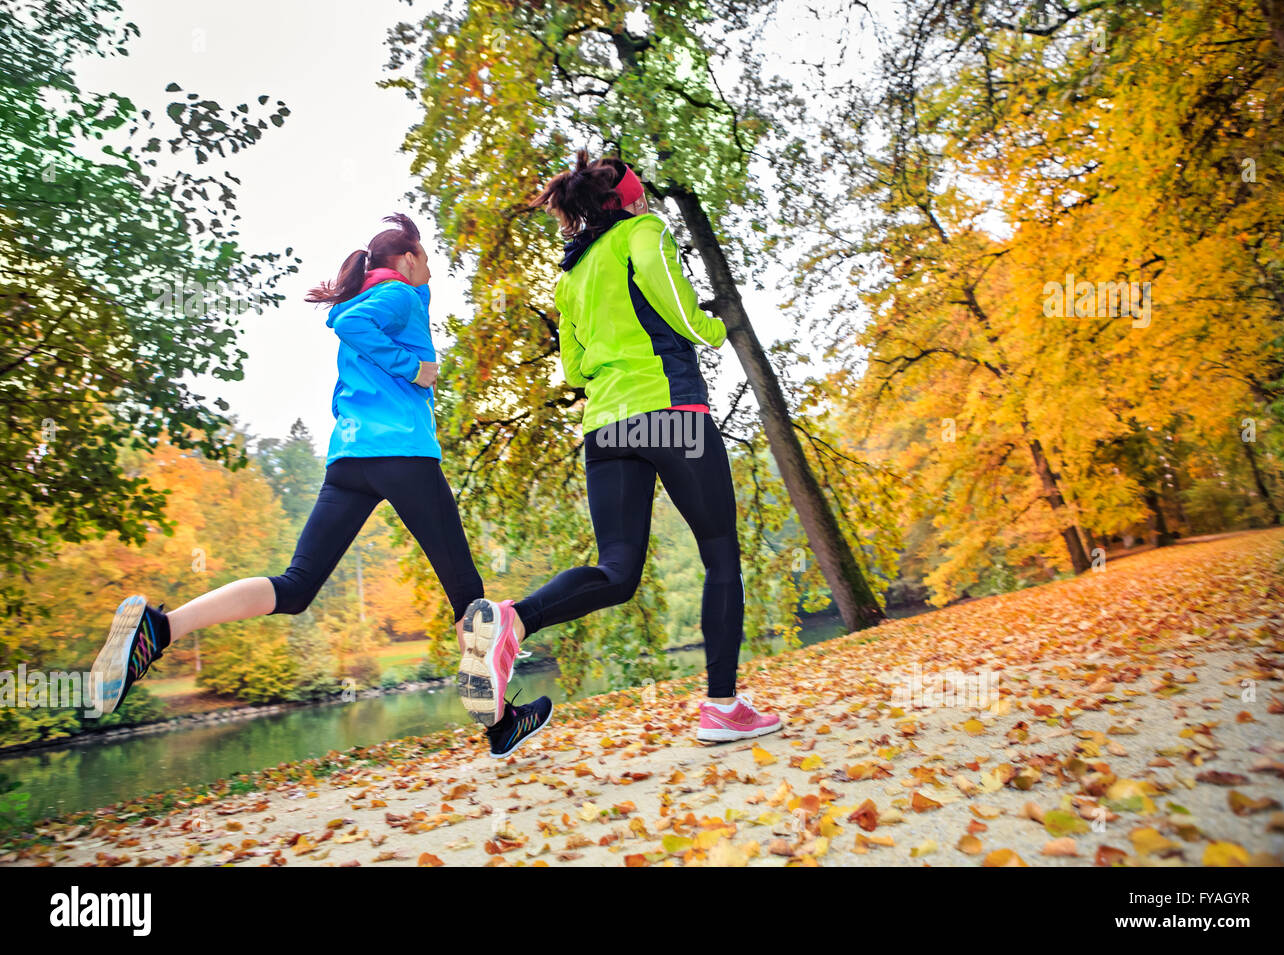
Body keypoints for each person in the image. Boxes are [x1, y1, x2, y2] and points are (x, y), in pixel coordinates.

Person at [91, 213, 553, 758]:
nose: (430, 268)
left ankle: (160, 630)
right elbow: (352, 327)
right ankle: (500, 725)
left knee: (296, 585)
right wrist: (414, 368)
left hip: (349, 460)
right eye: (425, 257)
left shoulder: (369, 302)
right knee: (468, 598)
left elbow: (349, 335)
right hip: (402, 453)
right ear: (405, 261)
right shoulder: (402, 297)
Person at [456, 153, 782, 744]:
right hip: (669, 414)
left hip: (606, 430)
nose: (649, 205)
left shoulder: (571, 275)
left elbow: (576, 369)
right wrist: (718, 330)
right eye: (643, 198)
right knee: (720, 555)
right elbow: (679, 307)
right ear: (630, 201)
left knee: (617, 570)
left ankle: (513, 619)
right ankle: (722, 706)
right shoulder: (646, 233)